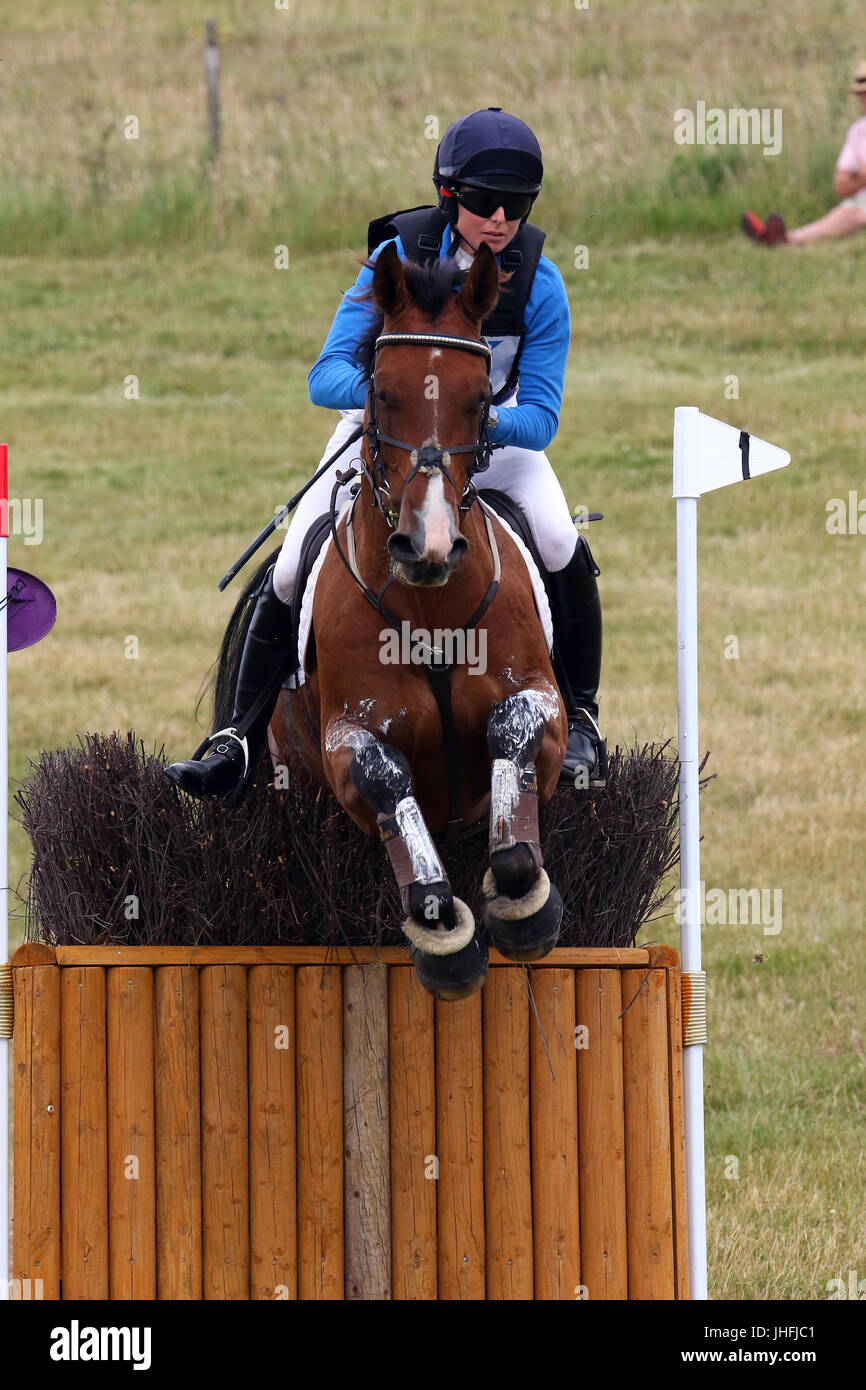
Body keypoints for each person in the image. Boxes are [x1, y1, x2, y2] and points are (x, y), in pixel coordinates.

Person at [165, 108, 606, 798]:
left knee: (558, 540)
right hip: (384, 437)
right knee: (289, 565)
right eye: (485, 202)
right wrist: (396, 406)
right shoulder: (393, 260)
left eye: (516, 205)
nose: (500, 218)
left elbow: (542, 416)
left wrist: (470, 426)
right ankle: (237, 741)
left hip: (489, 442)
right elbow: (325, 375)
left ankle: (581, 721)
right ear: (449, 197)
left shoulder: (539, 284)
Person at [742, 61, 866, 246]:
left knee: (850, 215)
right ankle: (781, 238)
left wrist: (856, 174)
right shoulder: (857, 132)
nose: (863, 99)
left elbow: (849, 179)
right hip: (858, 202)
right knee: (845, 214)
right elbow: (841, 186)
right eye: (861, 94)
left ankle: (784, 239)